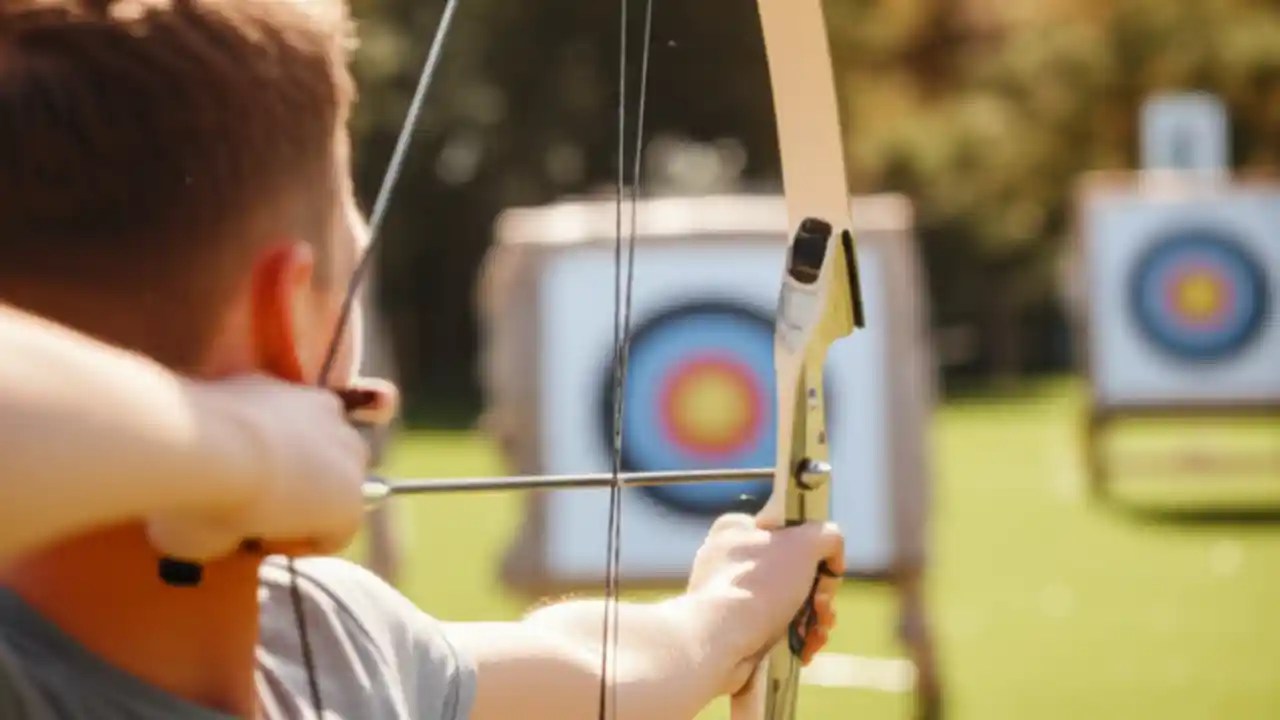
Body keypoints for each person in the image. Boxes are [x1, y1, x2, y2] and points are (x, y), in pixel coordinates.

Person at [0, 2, 844, 719]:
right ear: (293, 316)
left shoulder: (331, 644)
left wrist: (724, 614)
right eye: (353, 252)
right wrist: (244, 449)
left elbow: (587, 665)